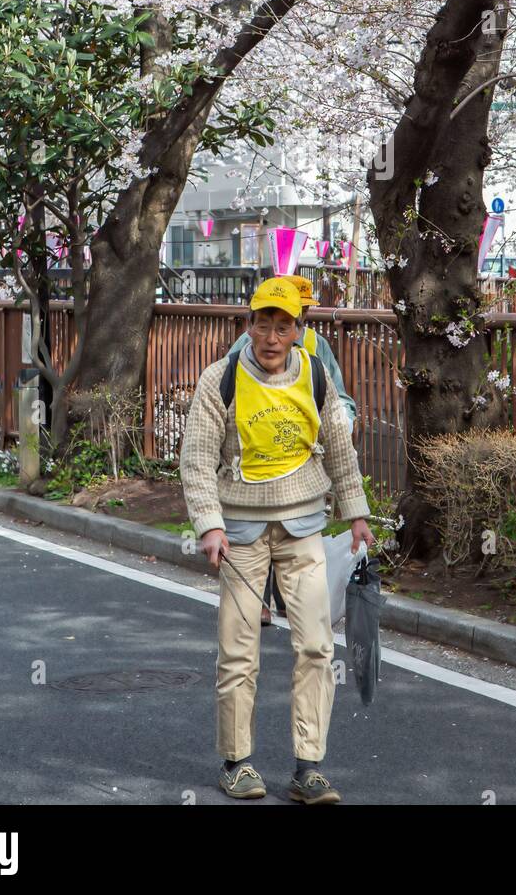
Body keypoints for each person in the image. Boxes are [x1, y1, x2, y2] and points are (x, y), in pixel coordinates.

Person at [181, 276, 374, 804]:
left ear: (296, 331)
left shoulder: (314, 375)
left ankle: (308, 768)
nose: (271, 336)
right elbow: (197, 458)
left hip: (303, 527)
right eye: (263, 323)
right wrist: (209, 524)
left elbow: (338, 446)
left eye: (282, 326)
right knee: (239, 652)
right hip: (240, 533)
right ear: (249, 326)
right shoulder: (219, 378)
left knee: (315, 645)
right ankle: (237, 762)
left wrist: (356, 513)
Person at [226, 273, 358, 625]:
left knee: (295, 528)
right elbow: (227, 393)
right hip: (255, 460)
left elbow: (340, 397)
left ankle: (290, 600)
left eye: (302, 313)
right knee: (261, 527)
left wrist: (341, 422)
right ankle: (262, 599)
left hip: (301, 455)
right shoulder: (246, 343)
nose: (276, 335)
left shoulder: (317, 347)